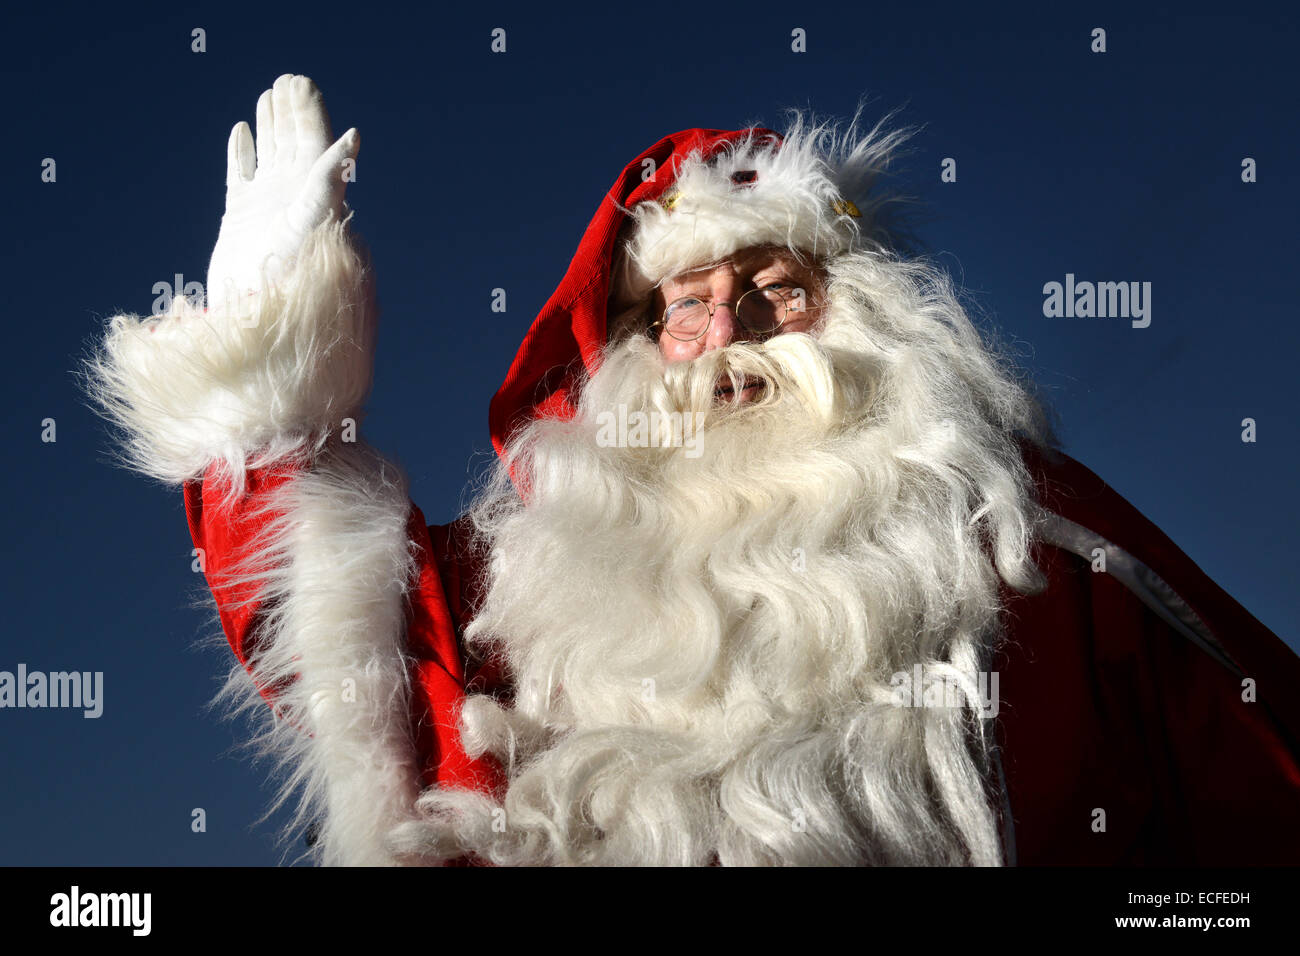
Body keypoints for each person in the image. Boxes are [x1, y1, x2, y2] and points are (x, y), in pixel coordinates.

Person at [83, 74, 1300, 867]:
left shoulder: (1040, 548)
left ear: (864, 316)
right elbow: (372, 661)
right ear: (627, 349)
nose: (729, 337)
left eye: (775, 291)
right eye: (684, 306)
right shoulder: (544, 594)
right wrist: (275, 390)